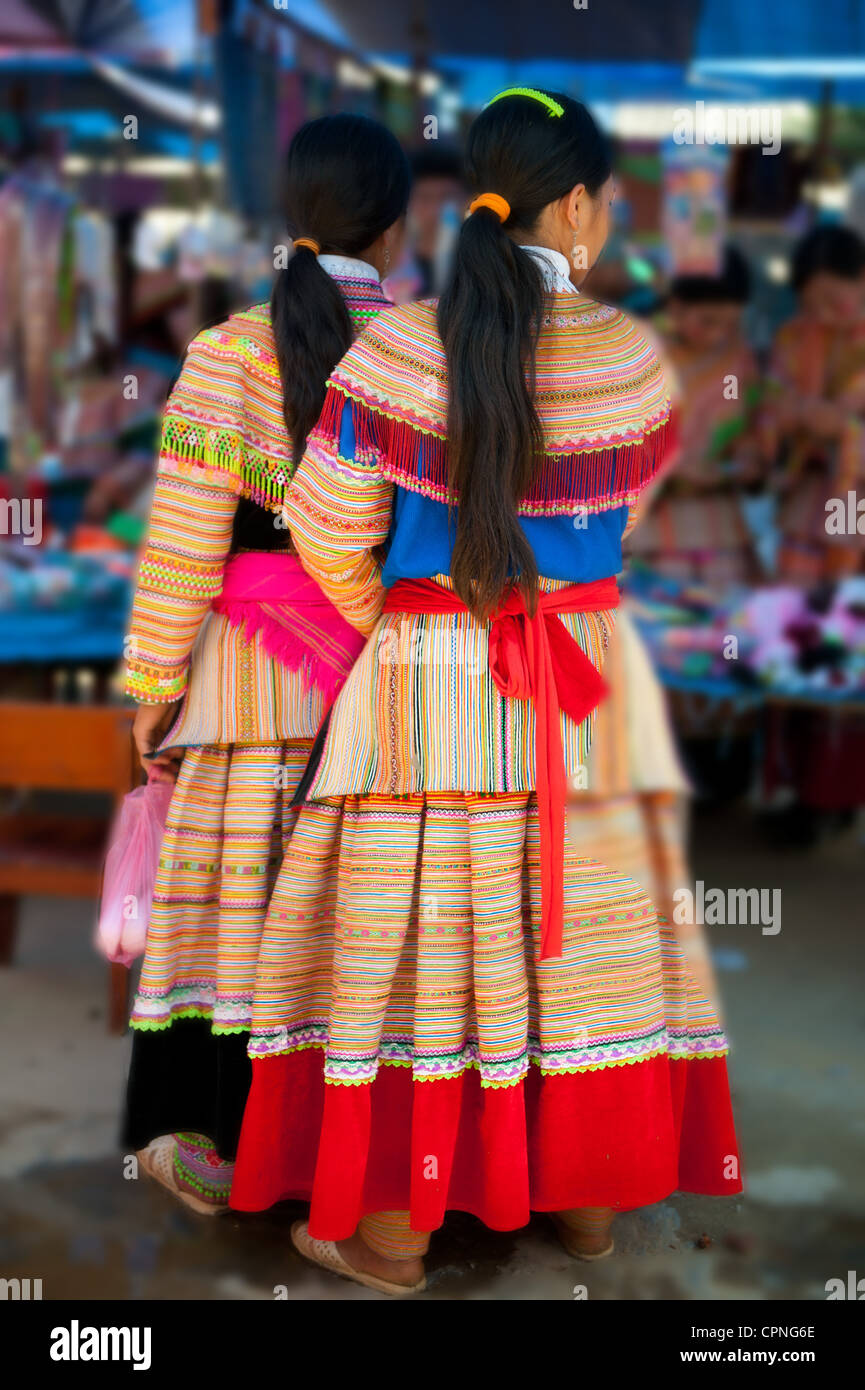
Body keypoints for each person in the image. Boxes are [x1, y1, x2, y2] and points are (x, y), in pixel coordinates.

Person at [231, 88, 741, 1292]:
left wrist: (397, 625)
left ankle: (396, 1231)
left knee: (424, 945)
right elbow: (613, 530)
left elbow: (323, 527)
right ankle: (585, 1210)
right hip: (585, 691)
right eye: (607, 201)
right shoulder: (631, 358)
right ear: (573, 208)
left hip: (424, 691)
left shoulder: (397, 350)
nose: (608, 218)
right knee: (582, 937)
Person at [120, 115, 410, 1213]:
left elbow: (185, 550)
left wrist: (151, 690)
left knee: (235, 916)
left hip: (247, 687)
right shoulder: (427, 347)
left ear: (292, 214)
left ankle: (217, 1146)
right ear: (397, 224)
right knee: (362, 913)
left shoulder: (227, 351)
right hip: (388, 676)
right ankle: (361, 1161)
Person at [628, 247, 763, 586]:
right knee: (660, 625)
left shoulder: (737, 359)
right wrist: (668, 469)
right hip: (652, 528)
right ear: (674, 306)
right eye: (707, 322)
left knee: (727, 622)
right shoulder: (639, 352)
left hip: (721, 527)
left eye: (729, 324)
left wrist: (748, 457)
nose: (718, 334)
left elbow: (753, 426)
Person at [762, 225, 865, 582]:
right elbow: (768, 409)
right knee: (794, 608)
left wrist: (848, 430)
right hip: (810, 495)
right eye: (810, 304)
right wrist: (798, 414)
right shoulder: (792, 337)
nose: (821, 315)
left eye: (833, 300)